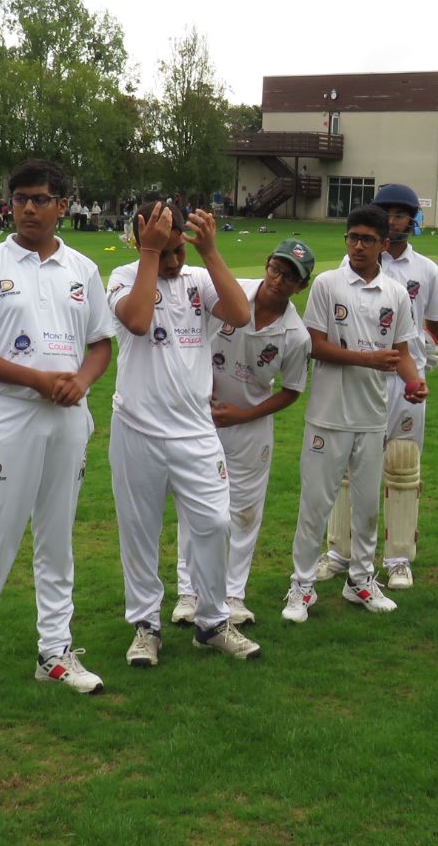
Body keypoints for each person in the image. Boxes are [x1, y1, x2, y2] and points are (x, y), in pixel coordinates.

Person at [0, 160, 114, 702]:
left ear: (62, 204)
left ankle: (55, 651)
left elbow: (100, 342)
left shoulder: (83, 268)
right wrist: (37, 380)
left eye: (40, 199)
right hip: (8, 414)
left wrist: (81, 382)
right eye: (20, 199)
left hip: (67, 416)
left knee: (57, 535)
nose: (28, 208)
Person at [106, 201, 260, 665]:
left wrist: (210, 253)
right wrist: (149, 253)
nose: (175, 262)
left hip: (196, 431)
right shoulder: (121, 275)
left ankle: (212, 622)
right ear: (141, 239)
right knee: (139, 532)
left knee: (214, 524)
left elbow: (240, 314)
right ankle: (146, 626)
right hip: (137, 427)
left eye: (179, 253)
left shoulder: (198, 280)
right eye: (166, 252)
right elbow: (136, 320)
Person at [281, 205, 425, 622]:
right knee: (315, 505)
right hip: (328, 416)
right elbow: (316, 345)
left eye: (366, 239)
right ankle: (301, 587)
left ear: (383, 244)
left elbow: (401, 352)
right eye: (352, 238)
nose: (358, 246)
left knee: (366, 508)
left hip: (372, 416)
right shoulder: (327, 284)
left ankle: (361, 580)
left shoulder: (395, 293)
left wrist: (414, 384)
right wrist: (366, 360)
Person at [172, 239, 315, 626]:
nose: (278, 279)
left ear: (300, 287)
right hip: (200, 417)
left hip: (250, 427)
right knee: (195, 504)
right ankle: (188, 591)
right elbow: (189, 335)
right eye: (275, 268)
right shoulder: (228, 294)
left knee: (244, 513)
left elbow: (292, 390)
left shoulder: (296, 335)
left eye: (290, 277)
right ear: (267, 263)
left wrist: (243, 413)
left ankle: (232, 594)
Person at [313, 183, 438, 590]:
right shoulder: (351, 259)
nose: (393, 219)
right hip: (358, 380)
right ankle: (340, 551)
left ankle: (399, 558)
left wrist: (418, 368)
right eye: (386, 212)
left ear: (411, 219)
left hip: (403, 382)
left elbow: (436, 321)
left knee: (402, 464)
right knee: (348, 468)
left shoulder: (425, 269)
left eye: (401, 213)